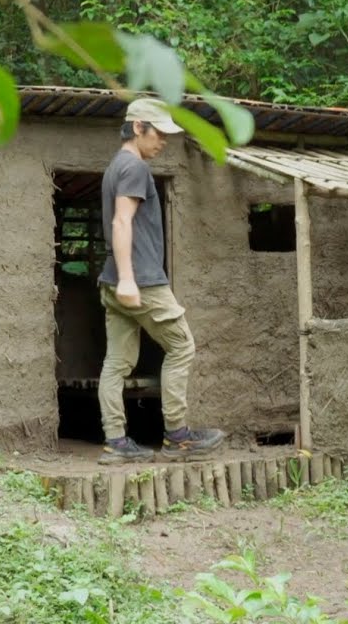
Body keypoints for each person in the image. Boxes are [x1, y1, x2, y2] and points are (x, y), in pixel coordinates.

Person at [95, 97, 225, 464]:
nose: (163, 141)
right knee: (182, 346)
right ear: (138, 127)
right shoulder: (134, 168)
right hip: (141, 281)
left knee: (116, 363)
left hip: (113, 281)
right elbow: (122, 222)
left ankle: (116, 442)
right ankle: (177, 437)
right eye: (158, 134)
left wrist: (119, 279)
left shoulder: (114, 168)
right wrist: (129, 279)